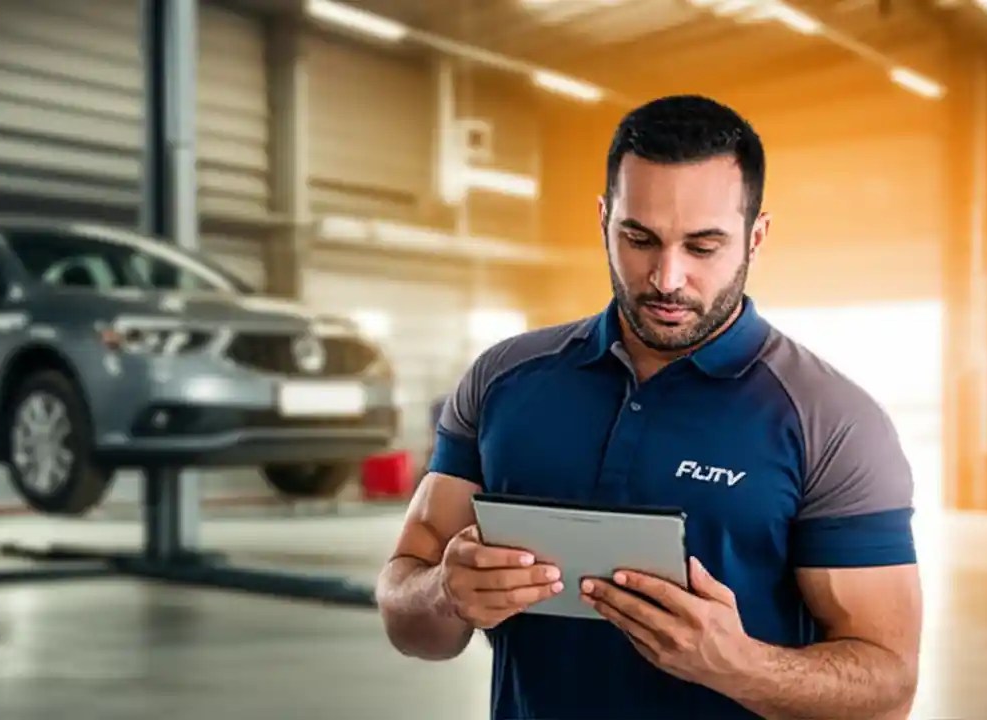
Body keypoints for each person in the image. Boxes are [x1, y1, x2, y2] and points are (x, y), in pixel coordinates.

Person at [374, 94, 922, 720]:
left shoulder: (832, 421)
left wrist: (740, 666)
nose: (666, 278)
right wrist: (443, 594)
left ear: (757, 236)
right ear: (604, 219)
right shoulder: (504, 380)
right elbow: (408, 620)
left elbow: (888, 690)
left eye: (703, 246)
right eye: (639, 238)